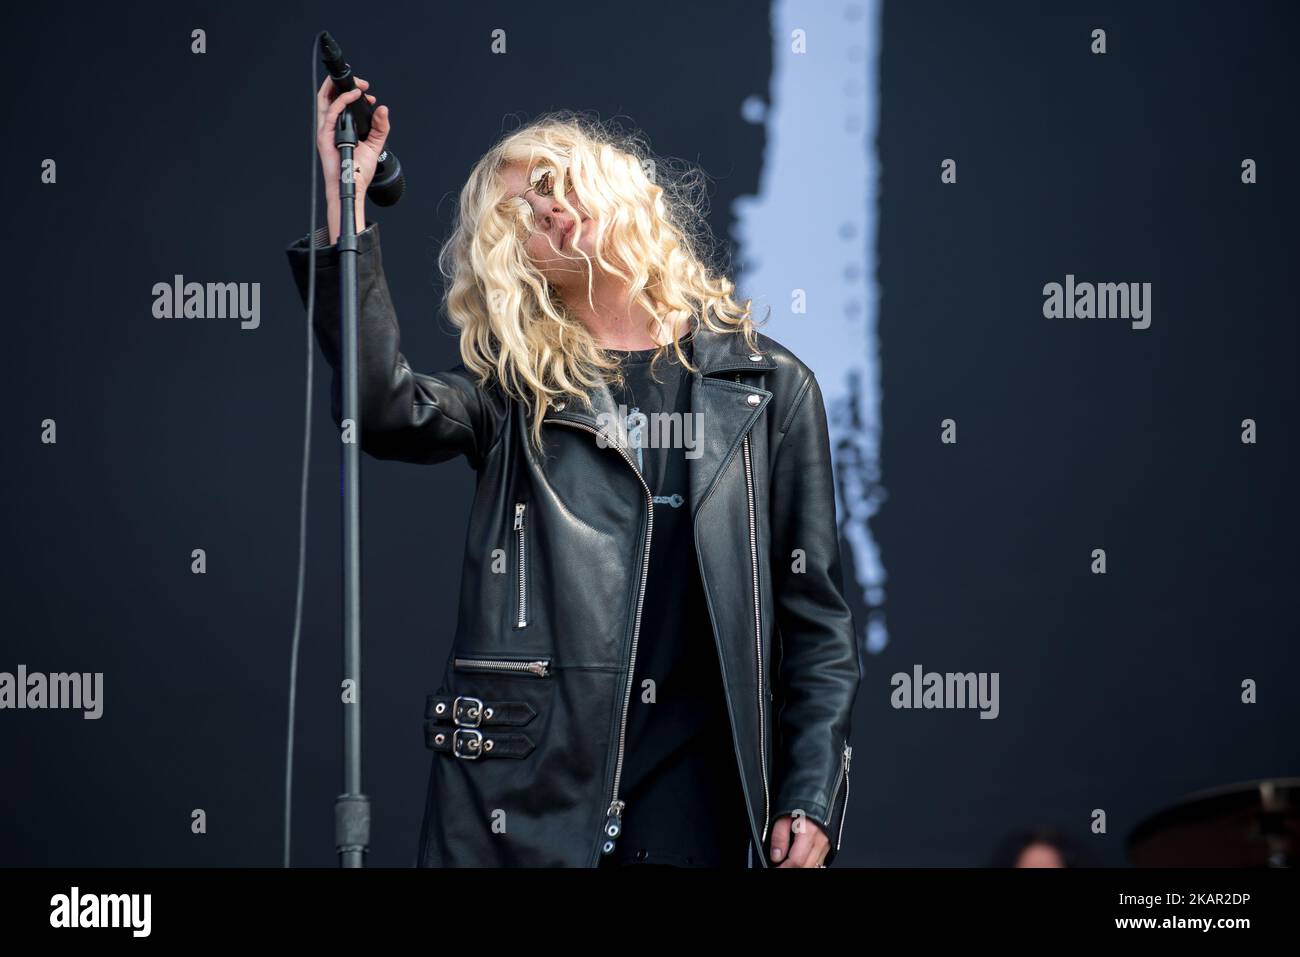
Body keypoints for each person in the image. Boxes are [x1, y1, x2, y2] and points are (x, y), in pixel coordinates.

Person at [285, 75, 861, 868]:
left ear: (612, 188)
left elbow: (817, 625)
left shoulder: (765, 387)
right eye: (521, 210)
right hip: (529, 801)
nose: (548, 209)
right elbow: (386, 410)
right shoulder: (515, 391)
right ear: (513, 256)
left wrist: (810, 793)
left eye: (555, 184)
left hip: (702, 798)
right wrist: (345, 209)